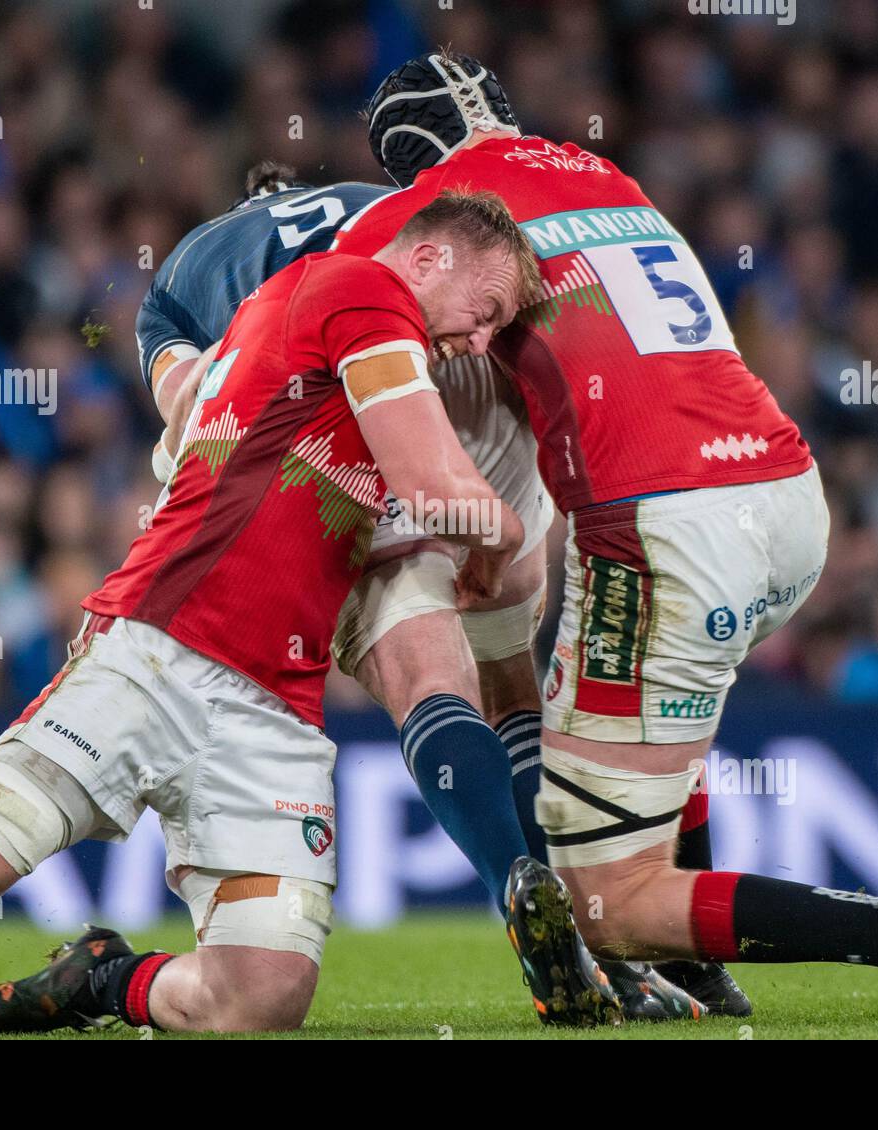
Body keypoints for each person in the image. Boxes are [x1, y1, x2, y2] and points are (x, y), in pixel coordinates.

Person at [346, 52, 878, 1022]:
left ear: (411, 164)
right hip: (784, 494)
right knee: (660, 735)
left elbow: (329, 298)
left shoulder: (428, 216)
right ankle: (700, 968)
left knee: (604, 900)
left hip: (668, 527)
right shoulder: (605, 175)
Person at [0, 189, 541, 1039]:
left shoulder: (326, 341)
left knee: (259, 1003)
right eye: (485, 314)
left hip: (276, 708)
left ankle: (102, 980)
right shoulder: (359, 293)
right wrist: (502, 535)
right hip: (159, 655)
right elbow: (435, 488)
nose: (481, 343)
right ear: (429, 258)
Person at [135, 159, 688, 1022]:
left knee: (421, 675)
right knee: (505, 687)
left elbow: (194, 412)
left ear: (245, 194)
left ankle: (517, 883)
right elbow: (480, 287)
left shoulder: (183, 275)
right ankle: (592, 934)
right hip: (472, 406)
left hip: (321, 434)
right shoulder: (391, 207)